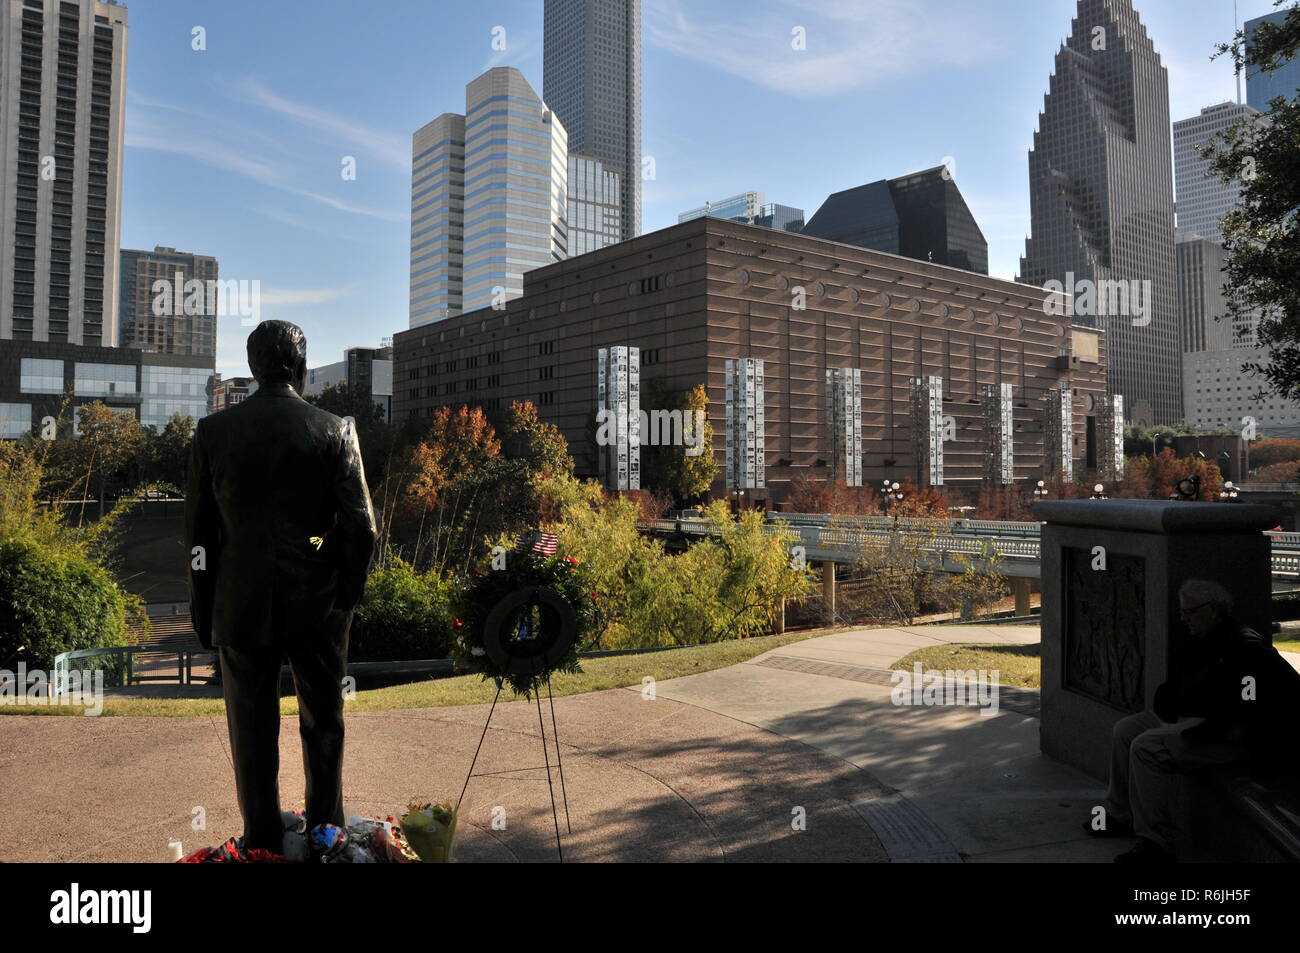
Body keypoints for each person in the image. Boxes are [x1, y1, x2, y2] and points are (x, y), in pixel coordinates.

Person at [186, 320, 377, 855]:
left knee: (250, 728)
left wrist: (205, 611)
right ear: (299, 366)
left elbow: (199, 539)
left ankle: (263, 836)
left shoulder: (212, 433)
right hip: (317, 606)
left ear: (253, 368)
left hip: (240, 607)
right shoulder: (335, 429)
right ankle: (325, 834)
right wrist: (345, 596)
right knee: (324, 723)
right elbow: (362, 530)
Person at [1088, 578, 1300, 863]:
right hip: (1198, 722)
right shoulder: (1199, 640)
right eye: (1182, 612)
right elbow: (1176, 693)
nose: (1184, 619)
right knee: (1125, 729)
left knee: (1146, 746)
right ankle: (1119, 814)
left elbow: (1262, 706)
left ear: (1214, 610)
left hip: (1231, 736)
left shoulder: (1246, 647)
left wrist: (1208, 729)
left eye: (1190, 612)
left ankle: (1156, 844)